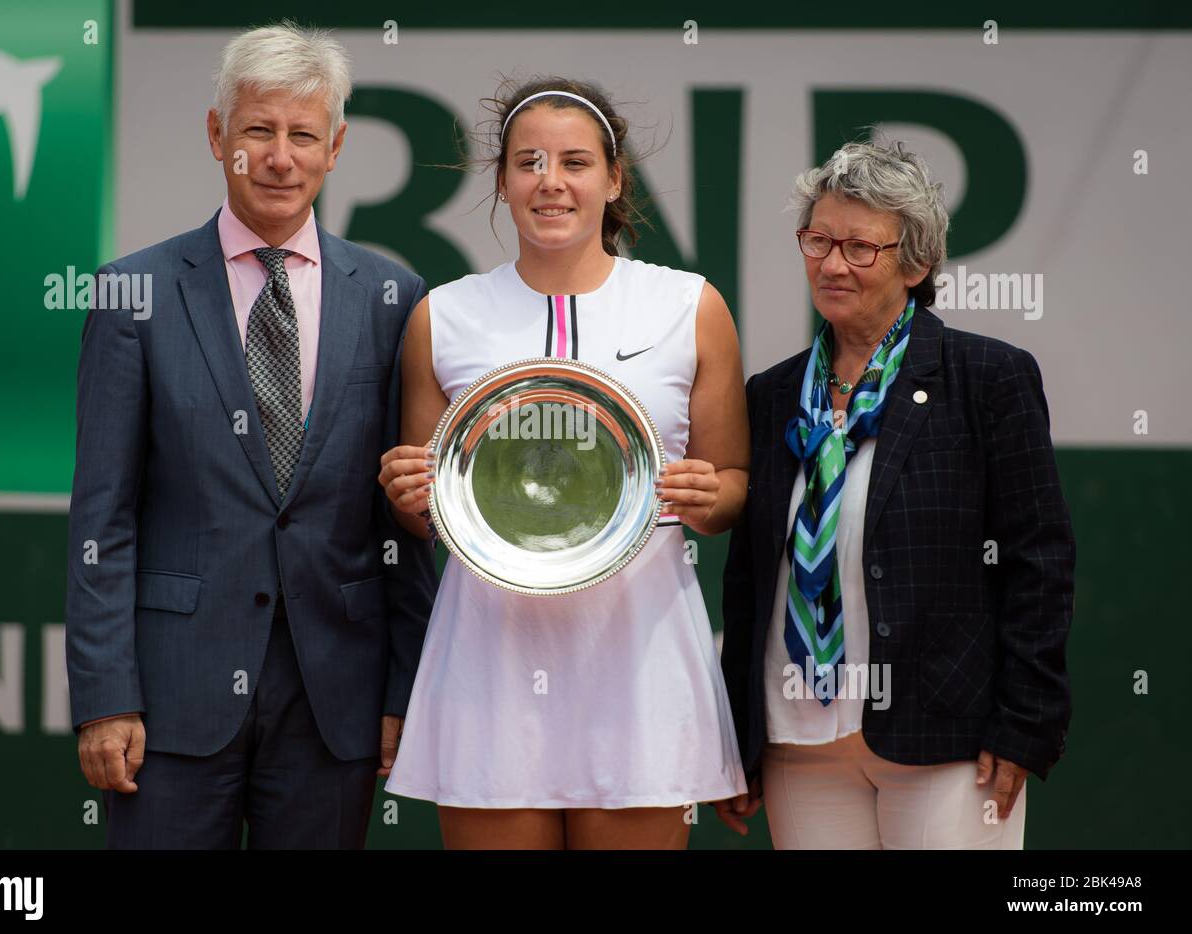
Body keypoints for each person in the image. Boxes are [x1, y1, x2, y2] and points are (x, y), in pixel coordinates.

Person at [65, 22, 435, 849]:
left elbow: (402, 520)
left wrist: (403, 691)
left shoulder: (392, 295)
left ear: (336, 148)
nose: (280, 157)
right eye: (259, 131)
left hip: (334, 698)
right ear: (216, 135)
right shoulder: (136, 293)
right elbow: (103, 518)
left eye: (303, 135)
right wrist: (104, 696)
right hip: (169, 699)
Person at [376, 78, 750, 849]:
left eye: (575, 161)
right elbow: (420, 513)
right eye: (529, 162)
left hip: (640, 662)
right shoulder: (442, 317)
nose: (551, 181)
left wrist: (709, 496)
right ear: (505, 182)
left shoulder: (690, 306)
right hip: (491, 665)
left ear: (615, 180)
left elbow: (733, 487)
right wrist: (405, 491)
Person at [716, 139, 1075, 849]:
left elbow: (1039, 559)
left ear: (916, 263)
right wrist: (739, 736)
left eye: (860, 247)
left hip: (945, 734)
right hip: (798, 739)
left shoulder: (987, 377)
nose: (832, 262)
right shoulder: (774, 393)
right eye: (818, 239)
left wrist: (1026, 720)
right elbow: (750, 577)